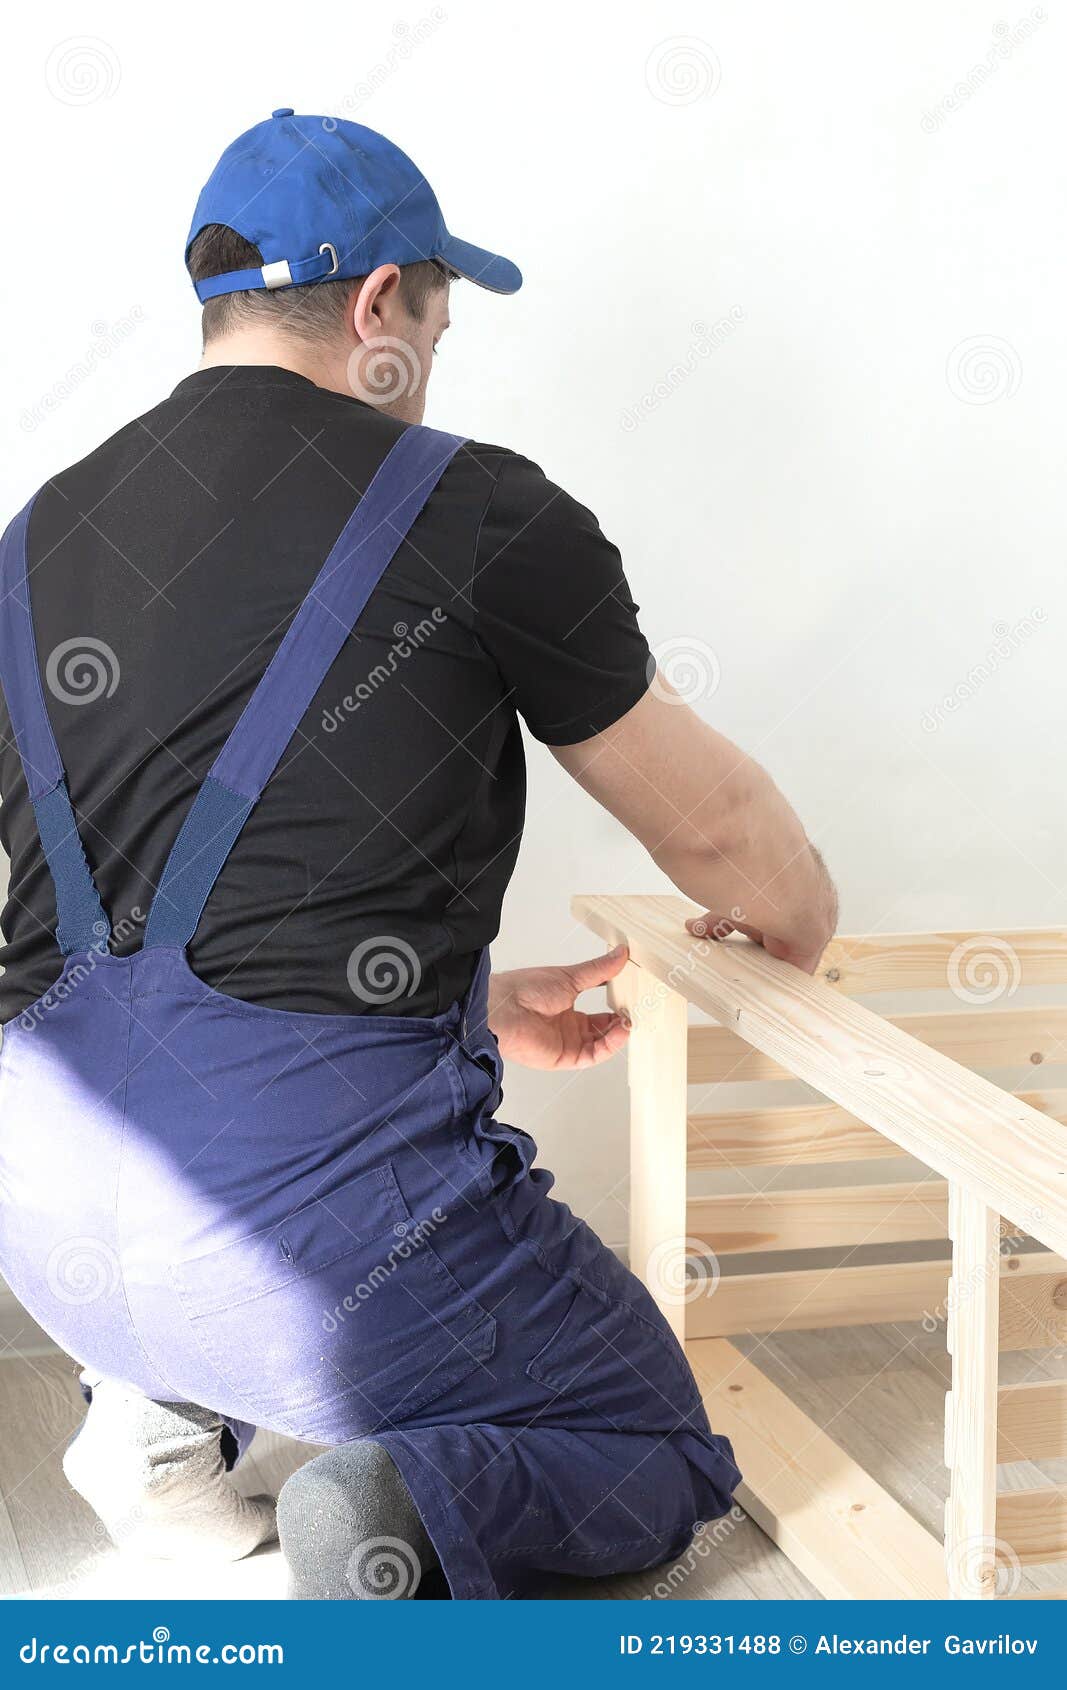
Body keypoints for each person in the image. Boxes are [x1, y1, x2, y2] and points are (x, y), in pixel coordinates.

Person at [0, 110, 836, 1600]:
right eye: (441, 318)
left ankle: (151, 1441)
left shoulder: (35, 533)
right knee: (653, 1439)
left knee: (187, 1247)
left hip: (47, 1225)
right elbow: (723, 841)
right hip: (308, 1263)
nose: (436, 364)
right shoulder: (480, 509)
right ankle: (390, 1511)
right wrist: (797, 927)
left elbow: (133, 940)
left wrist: (466, 998)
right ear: (381, 302)